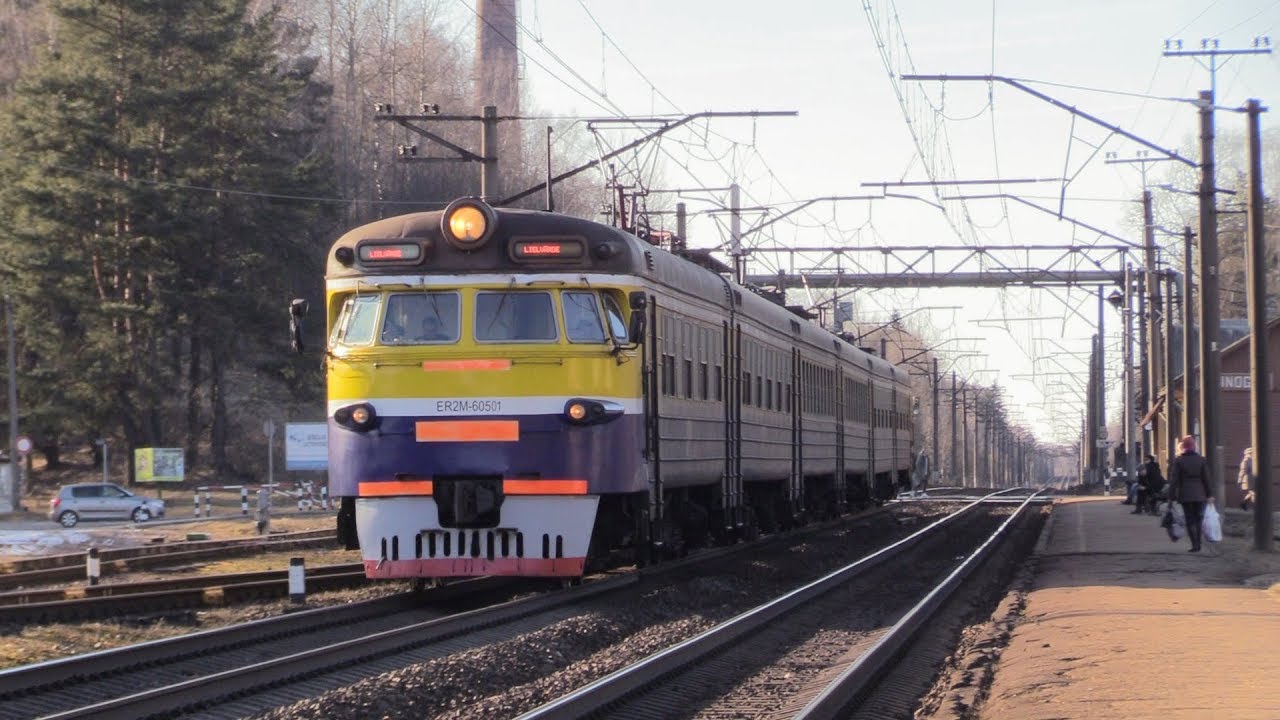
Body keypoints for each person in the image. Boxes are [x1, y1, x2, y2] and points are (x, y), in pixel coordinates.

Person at [1168, 435, 1213, 552]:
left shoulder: (1179, 461)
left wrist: (1171, 496)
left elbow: (1174, 480)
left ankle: (1194, 545)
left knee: (1190, 519)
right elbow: (1206, 479)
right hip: (1200, 494)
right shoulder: (1201, 460)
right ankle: (1199, 543)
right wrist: (1209, 494)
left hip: (1185, 494)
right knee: (1199, 519)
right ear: (1194, 446)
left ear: (1183, 447)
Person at [1238, 447, 1256, 511]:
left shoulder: (1252, 461)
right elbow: (1242, 471)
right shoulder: (1245, 461)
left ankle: (1243, 504)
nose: (1253, 454)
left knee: (1251, 493)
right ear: (1248, 453)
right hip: (1248, 481)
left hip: (1252, 480)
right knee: (1253, 493)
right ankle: (1256, 507)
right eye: (1252, 453)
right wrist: (1239, 480)